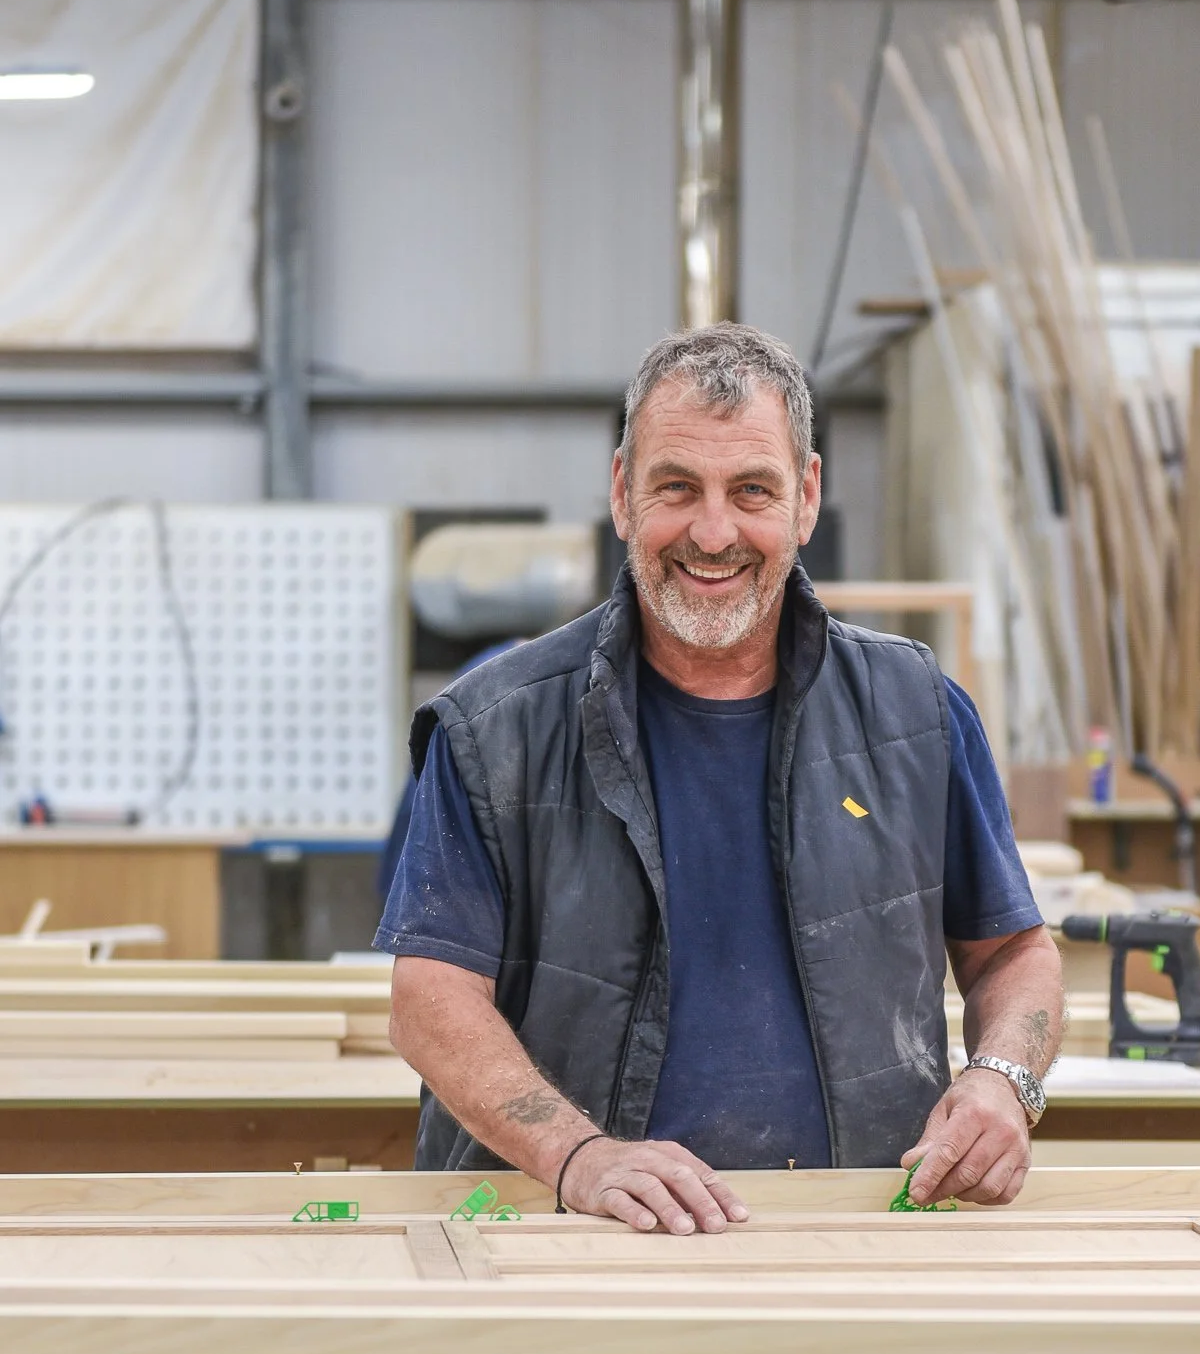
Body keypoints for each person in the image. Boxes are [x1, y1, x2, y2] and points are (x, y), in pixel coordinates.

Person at [380, 323, 1064, 1234]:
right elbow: (429, 1004)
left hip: (854, 1232)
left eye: (751, 491)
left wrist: (1002, 1082)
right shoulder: (494, 729)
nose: (711, 533)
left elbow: (1014, 954)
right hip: (571, 1240)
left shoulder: (917, 713)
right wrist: (578, 1158)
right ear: (622, 493)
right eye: (675, 488)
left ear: (806, 496)